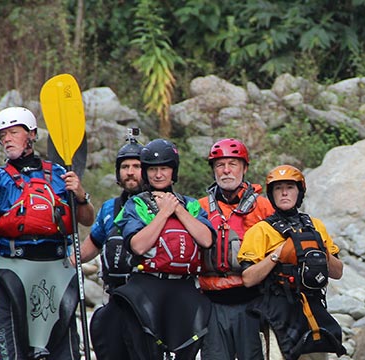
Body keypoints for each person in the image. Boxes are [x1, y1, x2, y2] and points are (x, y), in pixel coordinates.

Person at [0, 106, 96, 359]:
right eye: (2, 135)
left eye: (13, 132)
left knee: (63, 349)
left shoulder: (60, 174)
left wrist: (81, 195)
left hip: (56, 267)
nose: (7, 139)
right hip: (15, 268)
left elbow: (87, 219)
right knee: (15, 349)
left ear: (32, 134)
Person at [111, 138, 214, 360]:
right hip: (147, 286)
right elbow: (138, 246)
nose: (158, 175)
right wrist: (164, 213)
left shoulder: (191, 204)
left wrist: (177, 209)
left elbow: (206, 240)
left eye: (164, 169)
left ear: (173, 171)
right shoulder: (136, 204)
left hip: (184, 288)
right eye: (152, 169)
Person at [240, 165, 345, 360]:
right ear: (271, 194)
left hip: (312, 307)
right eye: (278, 188)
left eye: (290, 187)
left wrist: (320, 250)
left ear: (299, 192)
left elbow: (337, 272)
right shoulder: (260, 230)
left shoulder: (316, 226)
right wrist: (278, 254)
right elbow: (248, 279)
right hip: (278, 309)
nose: (284, 193)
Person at [197, 138, 276, 360]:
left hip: (252, 302)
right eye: (220, 165)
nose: (226, 170)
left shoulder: (264, 207)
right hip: (211, 302)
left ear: (245, 168)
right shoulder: (199, 207)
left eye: (233, 164)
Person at [70, 128, 145, 360]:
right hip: (115, 297)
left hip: (146, 299)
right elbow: (91, 246)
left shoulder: (159, 204)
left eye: (136, 166)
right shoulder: (110, 208)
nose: (130, 172)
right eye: (125, 167)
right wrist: (67, 261)